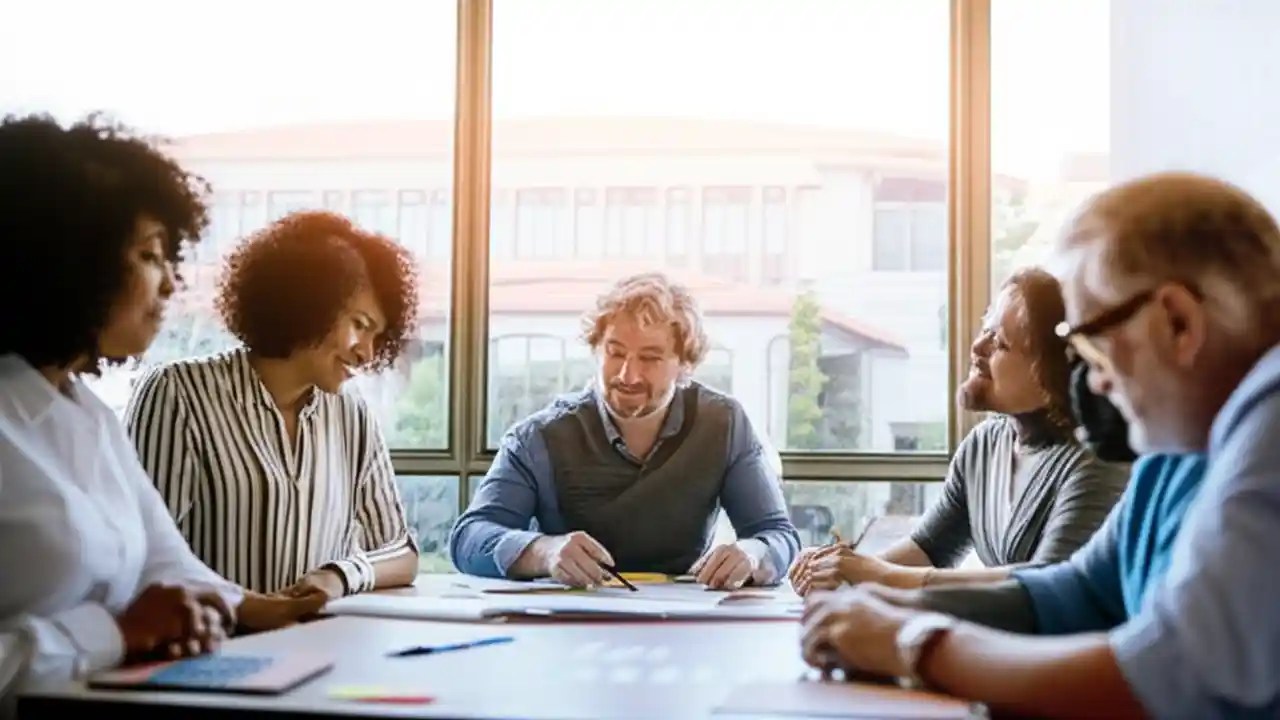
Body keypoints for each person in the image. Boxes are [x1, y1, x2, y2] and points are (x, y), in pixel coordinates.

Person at [800, 171, 1280, 719]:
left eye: (1092, 341)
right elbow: (1085, 590)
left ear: (1178, 322)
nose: (1093, 382)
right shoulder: (1179, 445)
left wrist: (919, 642)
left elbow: (1174, 678)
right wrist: (899, 605)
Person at [0, 113, 297, 715]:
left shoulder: (91, 418)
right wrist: (115, 635)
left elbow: (172, 569)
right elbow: (135, 617)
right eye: (149, 255)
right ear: (63, 259)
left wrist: (289, 606)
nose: (169, 286)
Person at [124, 210, 421, 601]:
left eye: (377, 336)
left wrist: (341, 574)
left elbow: (400, 552)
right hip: (215, 651)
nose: (367, 353)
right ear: (310, 304)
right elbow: (142, 559)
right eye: (360, 324)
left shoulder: (353, 414)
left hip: (326, 651)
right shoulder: (178, 394)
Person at [449, 272, 800, 590]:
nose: (627, 376)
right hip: (569, 620)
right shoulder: (539, 437)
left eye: (650, 358)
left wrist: (752, 554)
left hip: (687, 622)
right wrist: (544, 552)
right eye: (615, 353)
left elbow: (777, 535)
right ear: (596, 349)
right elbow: (469, 538)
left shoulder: (724, 423)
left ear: (685, 365)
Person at [791, 268, 1127, 596]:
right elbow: (928, 549)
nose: (978, 346)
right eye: (986, 327)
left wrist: (874, 574)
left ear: (1049, 373)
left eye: (1000, 342)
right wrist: (842, 570)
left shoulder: (1094, 464)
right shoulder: (983, 446)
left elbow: (1047, 587)